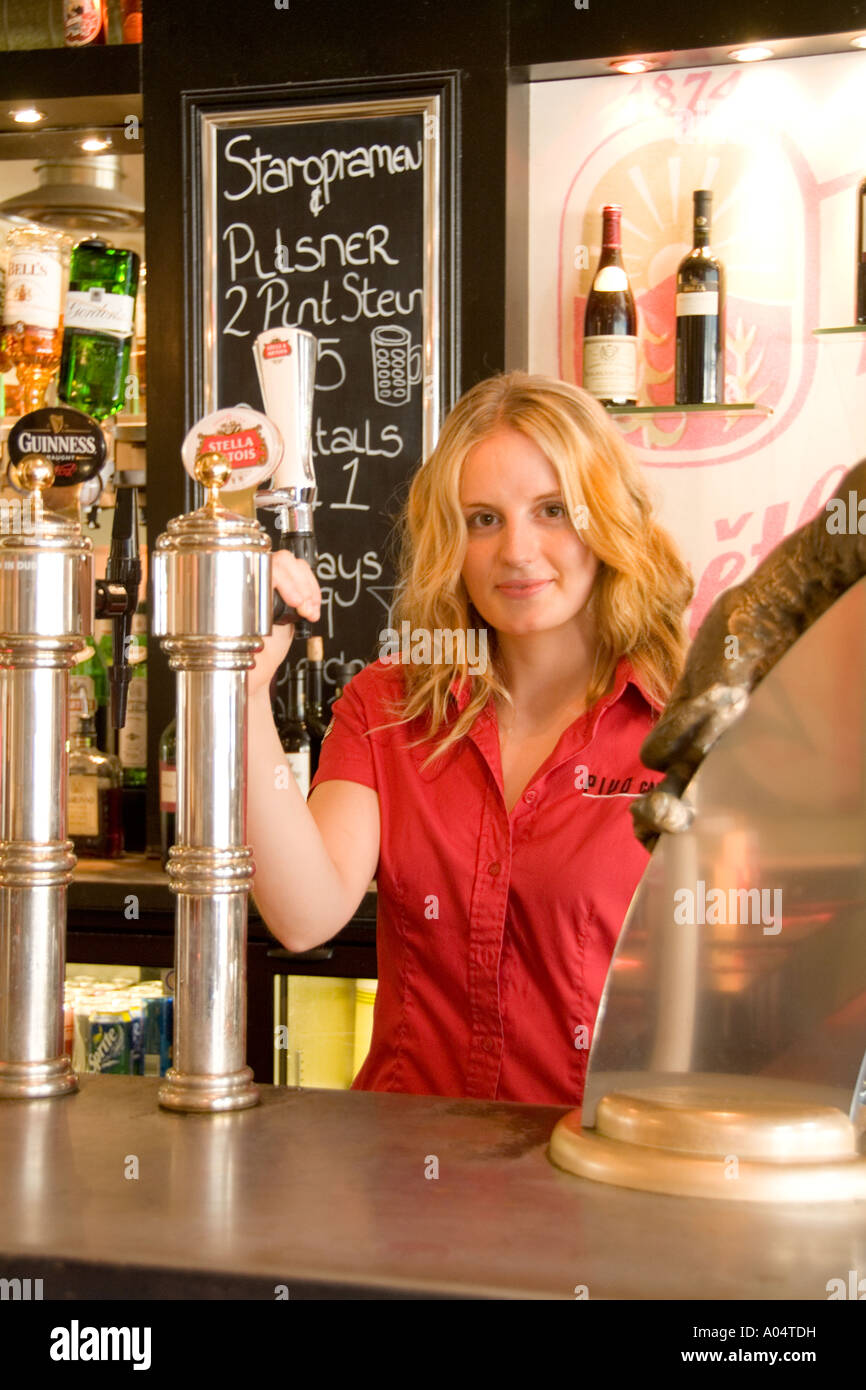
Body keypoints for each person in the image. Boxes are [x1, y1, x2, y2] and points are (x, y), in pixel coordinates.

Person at [248, 371, 693, 1105]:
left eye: (552, 510)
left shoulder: (685, 722)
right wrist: (243, 693)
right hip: (405, 1168)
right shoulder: (388, 705)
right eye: (483, 519)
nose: (517, 551)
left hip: (601, 1175)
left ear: (608, 518)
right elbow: (302, 916)